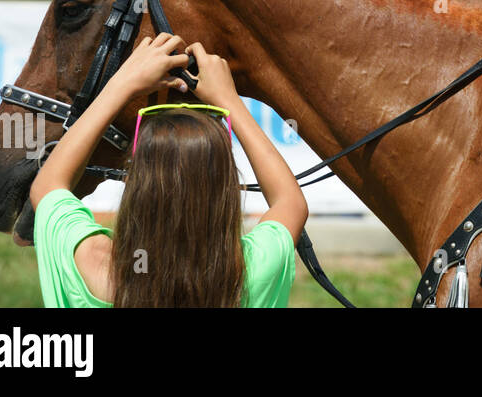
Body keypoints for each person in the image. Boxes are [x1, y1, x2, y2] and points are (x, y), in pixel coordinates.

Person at [29, 33, 308, 307]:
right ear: (227, 184)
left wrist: (121, 85)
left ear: (135, 180)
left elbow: (49, 185)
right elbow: (290, 202)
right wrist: (229, 100)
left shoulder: (90, 262)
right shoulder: (254, 271)